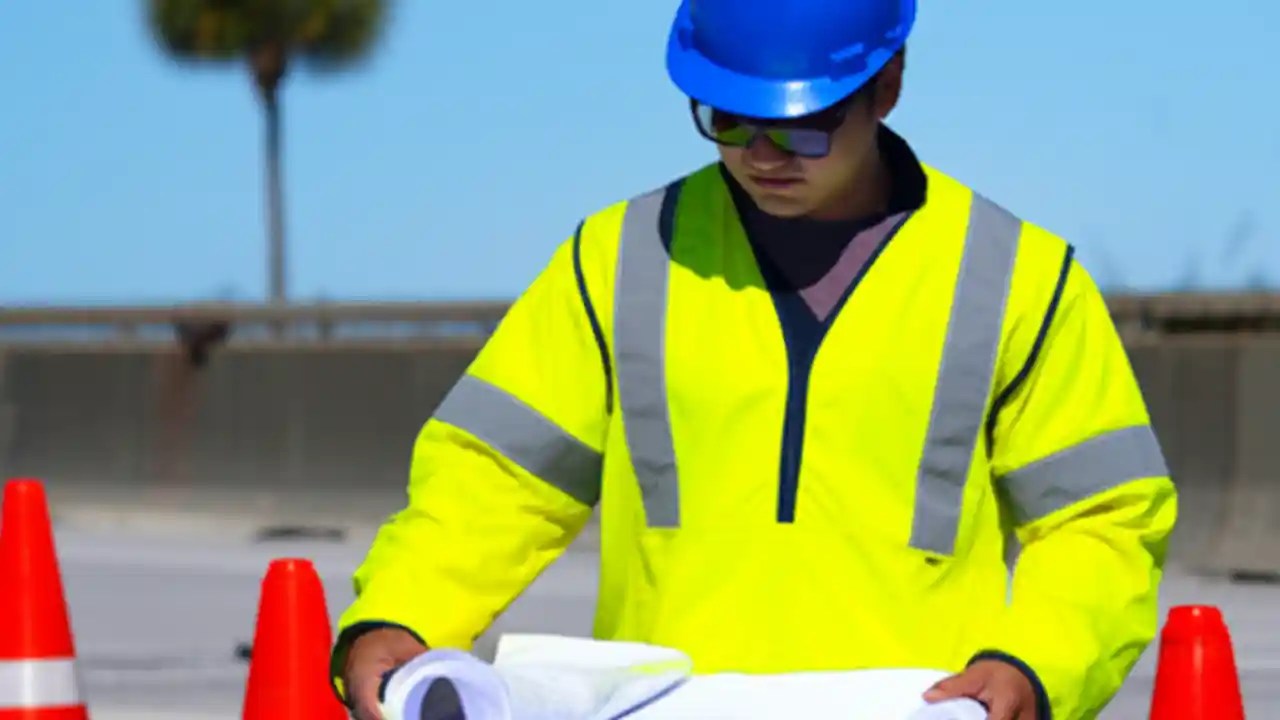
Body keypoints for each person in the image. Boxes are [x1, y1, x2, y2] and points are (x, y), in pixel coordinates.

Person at [330, 0, 1178, 718]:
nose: (762, 155)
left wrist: (1035, 666)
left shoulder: (1018, 280)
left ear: (887, 87)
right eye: (727, 118)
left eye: (803, 125)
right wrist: (401, 616)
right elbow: (494, 484)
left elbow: (1099, 525)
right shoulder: (617, 259)